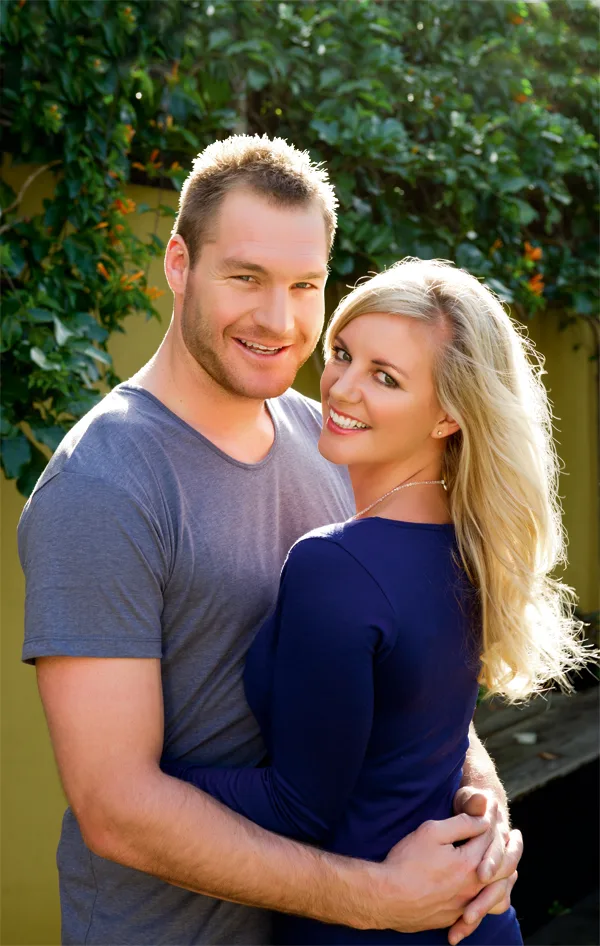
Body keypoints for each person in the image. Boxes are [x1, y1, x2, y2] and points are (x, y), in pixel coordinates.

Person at [19, 137, 522, 946]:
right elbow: (115, 808)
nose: (279, 320)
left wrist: (482, 803)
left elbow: (398, 668)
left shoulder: (329, 439)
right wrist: (374, 900)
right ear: (179, 265)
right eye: (245, 278)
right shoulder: (103, 485)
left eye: (304, 285)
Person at [161, 257, 587, 943]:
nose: (341, 387)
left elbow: (299, 807)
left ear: (447, 415)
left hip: (379, 925)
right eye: (343, 354)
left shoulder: (335, 565)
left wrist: (144, 786)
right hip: (474, 918)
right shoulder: (470, 544)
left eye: (385, 377)